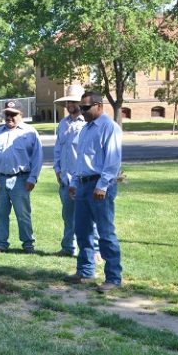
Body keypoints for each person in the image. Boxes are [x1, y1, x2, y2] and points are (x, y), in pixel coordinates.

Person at [64, 91, 124, 293]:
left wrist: (103, 185)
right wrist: (74, 181)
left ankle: (113, 278)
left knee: (105, 233)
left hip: (99, 186)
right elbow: (81, 159)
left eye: (85, 107)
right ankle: (86, 271)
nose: (82, 111)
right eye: (81, 107)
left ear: (99, 106)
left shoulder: (109, 127)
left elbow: (112, 160)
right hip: (82, 184)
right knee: (82, 230)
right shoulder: (86, 129)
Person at [0, 100, 43, 254]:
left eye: (13, 114)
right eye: (7, 114)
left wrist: (32, 178)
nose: (9, 117)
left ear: (21, 114)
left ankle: (28, 244)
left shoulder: (30, 132)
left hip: (21, 179)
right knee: (1, 213)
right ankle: (1, 244)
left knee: (23, 214)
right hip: (0, 179)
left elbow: (37, 157)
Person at [53, 85, 100, 258]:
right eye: (68, 102)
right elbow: (58, 149)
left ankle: (94, 250)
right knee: (68, 216)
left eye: (73, 101)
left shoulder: (88, 124)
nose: (70, 105)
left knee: (90, 217)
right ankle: (68, 247)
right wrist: (57, 169)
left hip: (83, 179)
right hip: (65, 179)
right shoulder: (63, 123)